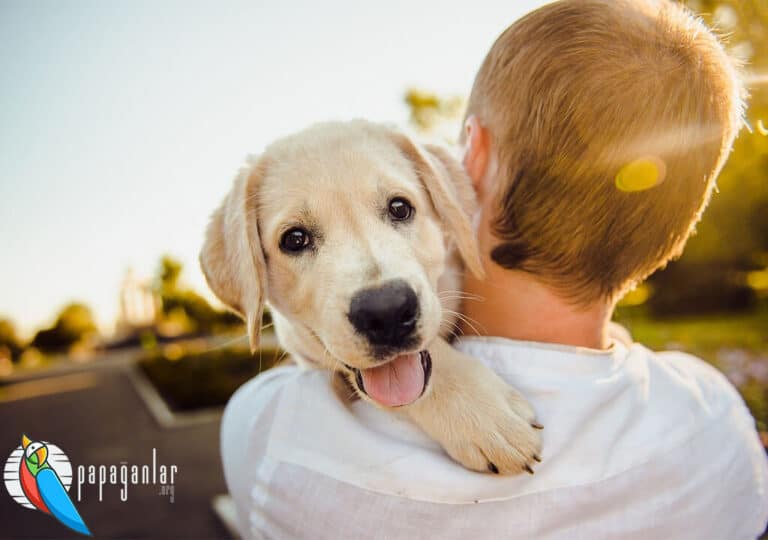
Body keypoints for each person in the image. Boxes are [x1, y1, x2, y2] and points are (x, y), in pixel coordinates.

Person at [221, 1, 768, 538]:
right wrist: (439, 380)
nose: (379, 287)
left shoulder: (272, 434)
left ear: (471, 157)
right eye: (297, 239)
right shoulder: (717, 419)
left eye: (398, 209)